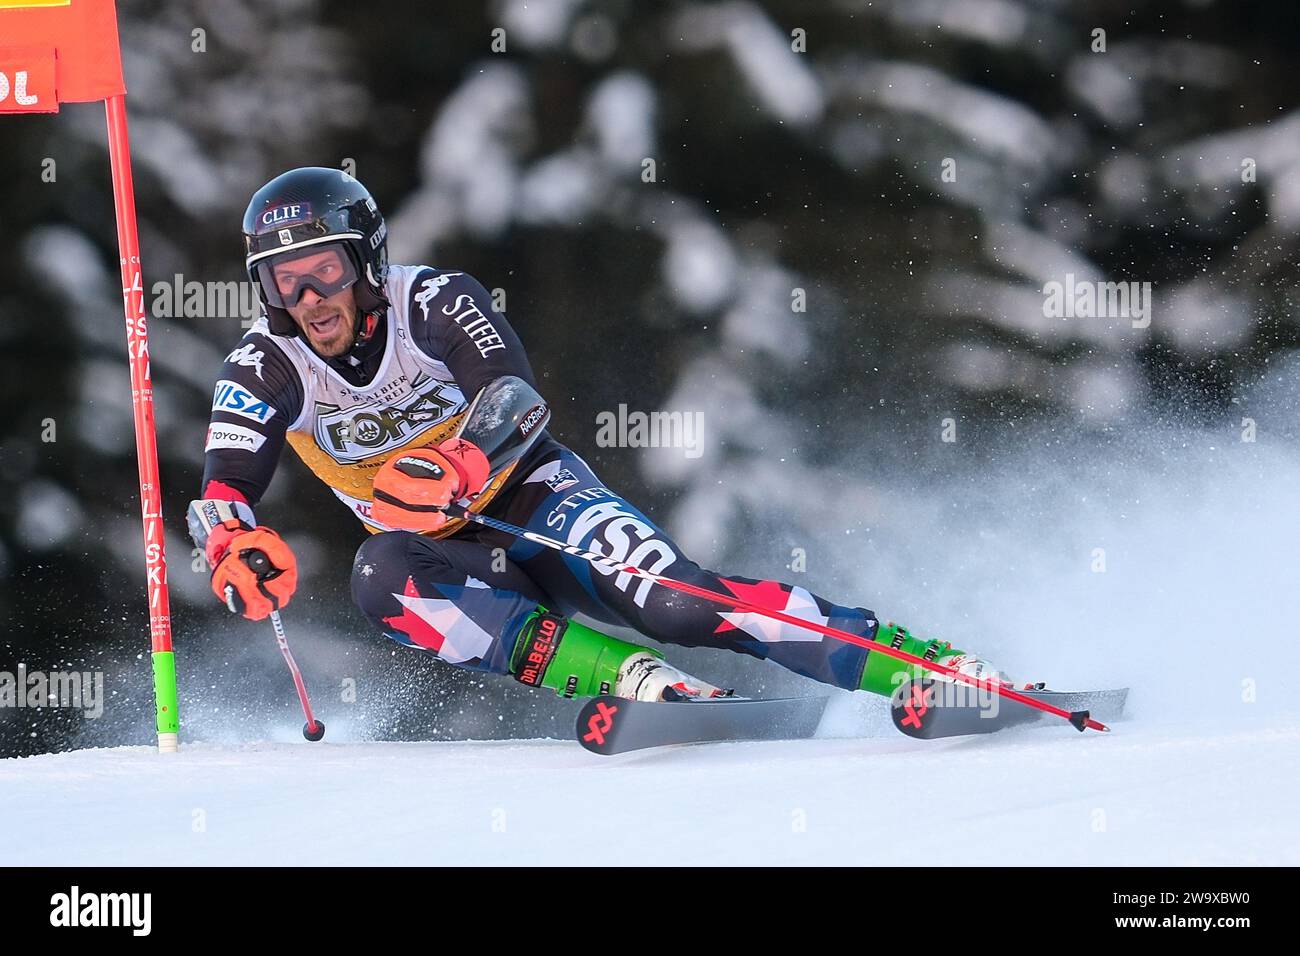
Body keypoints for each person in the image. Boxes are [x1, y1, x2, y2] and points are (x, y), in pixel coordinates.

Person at [187, 167, 1011, 706]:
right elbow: (225, 478)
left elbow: (513, 397)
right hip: (448, 556)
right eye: (281, 281)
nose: (310, 299)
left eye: (324, 270)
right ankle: (629, 680)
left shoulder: (431, 301)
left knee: (680, 604)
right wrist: (230, 539)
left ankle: (917, 665)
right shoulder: (268, 362)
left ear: (364, 261)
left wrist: (461, 459)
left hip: (538, 500)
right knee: (382, 578)